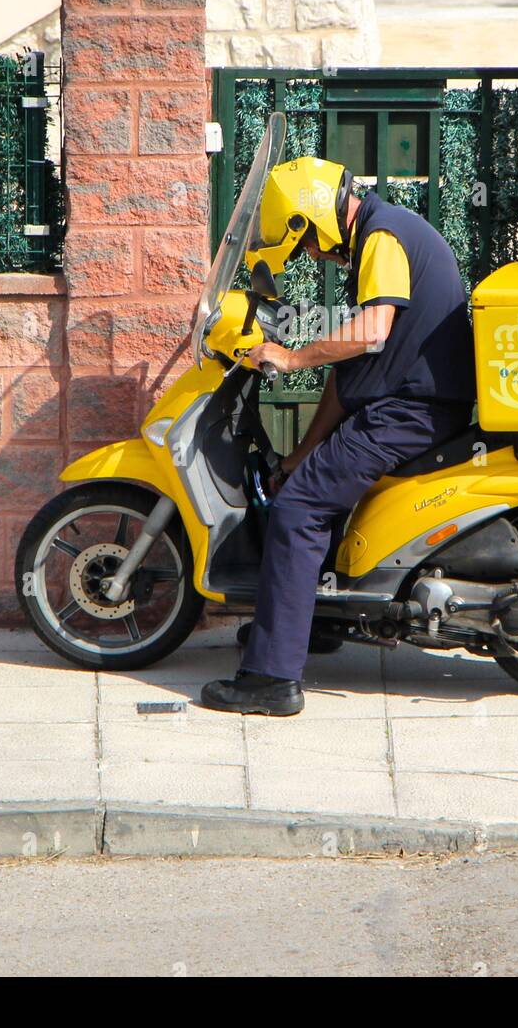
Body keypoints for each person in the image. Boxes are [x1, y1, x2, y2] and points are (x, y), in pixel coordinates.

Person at [200, 157, 476, 716]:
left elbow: (370, 335)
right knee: (304, 483)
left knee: (300, 509)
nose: (312, 257)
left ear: (313, 222)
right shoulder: (386, 234)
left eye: (303, 246)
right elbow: (349, 381)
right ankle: (314, 621)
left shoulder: (383, 240)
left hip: (413, 411)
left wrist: (291, 355)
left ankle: (272, 679)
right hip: (403, 404)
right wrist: (300, 455)